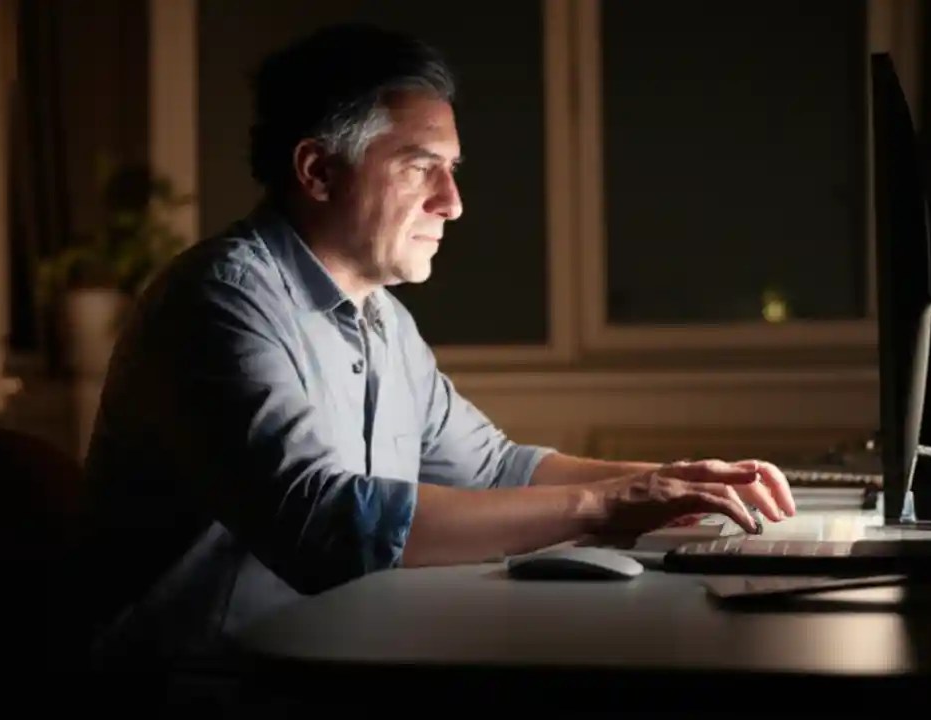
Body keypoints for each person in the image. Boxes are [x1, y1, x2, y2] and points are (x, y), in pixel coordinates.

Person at [82, 21, 796, 706]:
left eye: (451, 171)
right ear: (319, 170)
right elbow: (331, 528)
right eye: (422, 168)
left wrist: (675, 482)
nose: (452, 203)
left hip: (320, 672)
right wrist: (608, 504)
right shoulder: (221, 303)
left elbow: (493, 468)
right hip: (206, 690)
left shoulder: (383, 321)